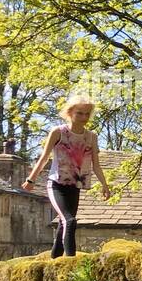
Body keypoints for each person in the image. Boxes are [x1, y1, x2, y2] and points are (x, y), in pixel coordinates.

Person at [22, 94, 112, 257]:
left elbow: (96, 165)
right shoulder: (58, 132)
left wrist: (105, 186)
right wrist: (31, 180)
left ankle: (54, 262)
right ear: (70, 112)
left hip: (75, 186)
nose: (84, 117)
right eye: (80, 113)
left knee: (64, 226)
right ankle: (71, 264)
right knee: (70, 221)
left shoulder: (91, 137)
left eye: (87, 114)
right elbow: (44, 158)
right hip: (56, 184)